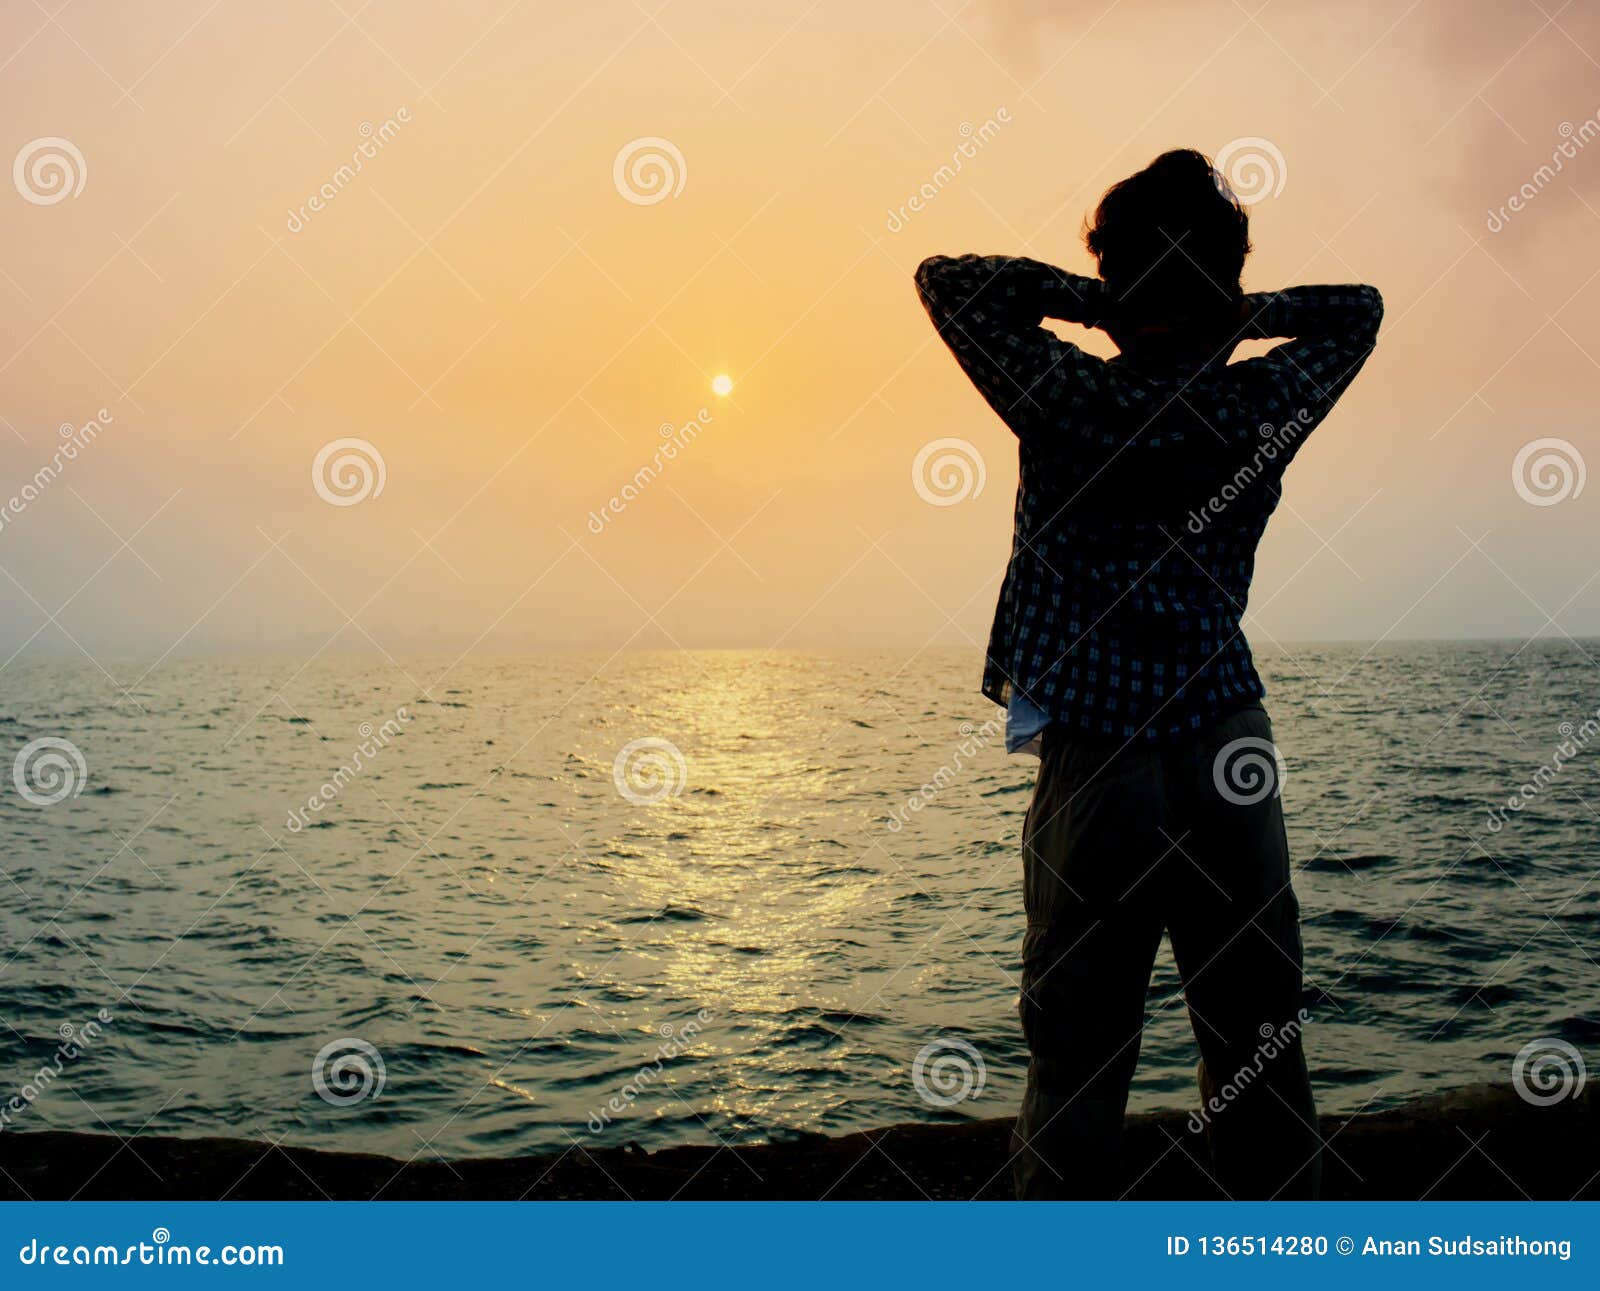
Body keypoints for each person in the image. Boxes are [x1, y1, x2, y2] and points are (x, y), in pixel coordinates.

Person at [913, 148, 1382, 1199]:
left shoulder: (1065, 393)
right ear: (1226, 277)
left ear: (1115, 274)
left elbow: (947, 281)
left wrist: (1101, 304)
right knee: (1260, 1053)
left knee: (1077, 1066)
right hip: (1227, 747)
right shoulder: (1259, 404)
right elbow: (1359, 311)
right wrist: (1231, 314)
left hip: (1100, 763)